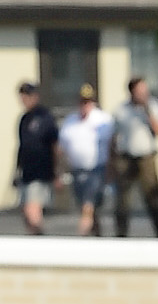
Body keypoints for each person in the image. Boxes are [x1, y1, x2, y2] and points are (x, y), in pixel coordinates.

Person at [111, 73, 158, 239]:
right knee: (123, 201)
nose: (143, 94)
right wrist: (112, 163)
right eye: (139, 91)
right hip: (125, 157)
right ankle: (121, 236)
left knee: (153, 197)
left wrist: (147, 111)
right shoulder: (121, 110)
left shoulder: (153, 106)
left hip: (146, 157)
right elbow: (114, 137)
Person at [58, 84, 115, 236]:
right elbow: (61, 149)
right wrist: (60, 172)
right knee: (89, 210)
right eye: (83, 101)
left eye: (88, 101)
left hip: (97, 169)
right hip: (77, 170)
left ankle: (80, 240)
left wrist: (111, 170)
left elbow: (112, 146)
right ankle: (98, 239)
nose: (85, 105)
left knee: (87, 208)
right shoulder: (70, 122)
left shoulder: (103, 120)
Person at [12, 79, 60, 235]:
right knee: (25, 213)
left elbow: (55, 146)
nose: (24, 100)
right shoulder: (24, 120)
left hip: (41, 172)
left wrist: (57, 172)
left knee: (33, 210)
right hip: (27, 172)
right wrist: (17, 170)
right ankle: (33, 240)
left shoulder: (45, 118)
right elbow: (22, 146)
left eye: (27, 96)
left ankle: (40, 241)